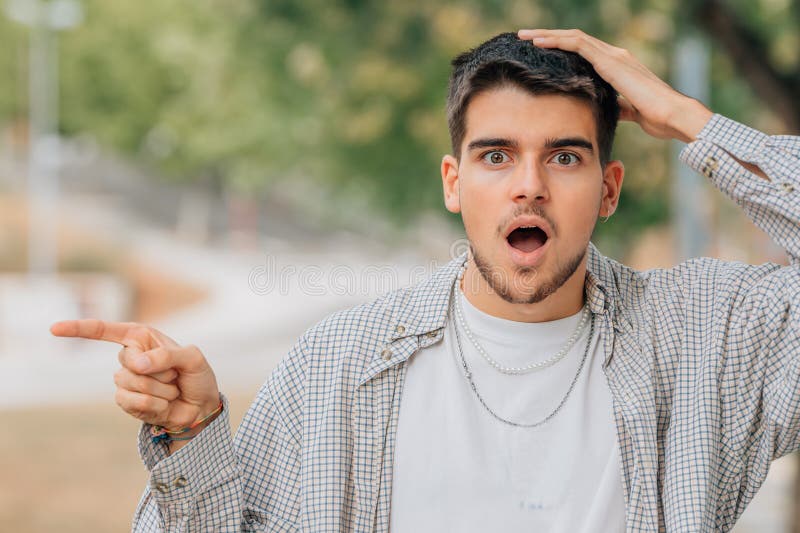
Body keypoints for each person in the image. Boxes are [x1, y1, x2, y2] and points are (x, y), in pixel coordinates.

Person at [50, 28, 799, 532]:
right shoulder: (337, 367)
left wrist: (690, 120)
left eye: (565, 157)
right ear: (453, 182)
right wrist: (192, 436)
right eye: (496, 155)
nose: (529, 185)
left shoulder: (708, 337)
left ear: (608, 189)